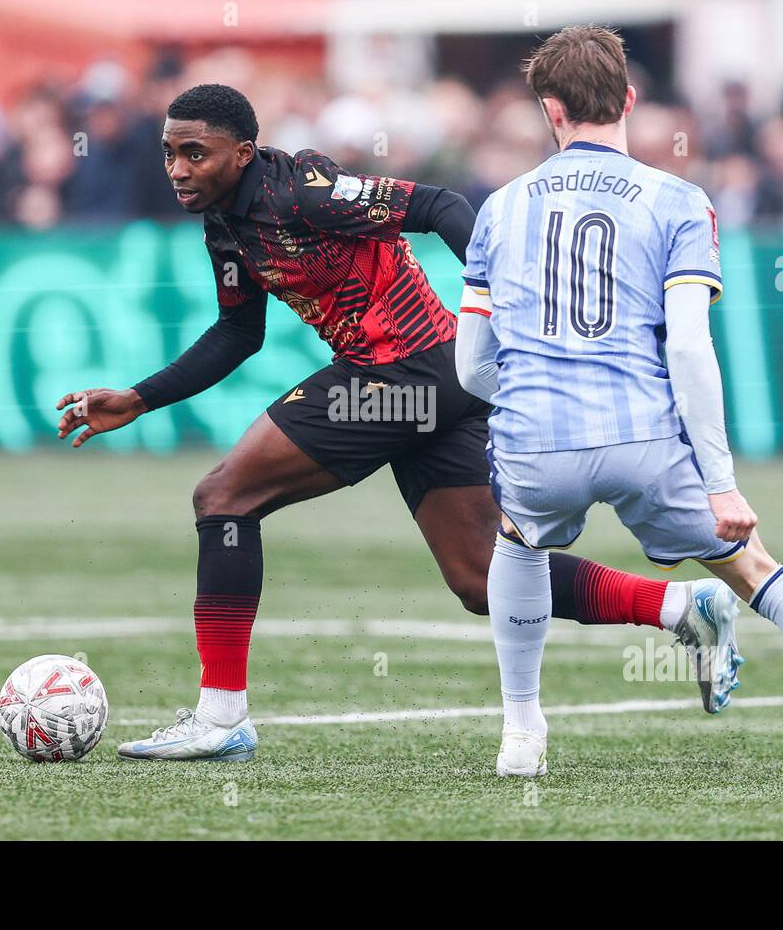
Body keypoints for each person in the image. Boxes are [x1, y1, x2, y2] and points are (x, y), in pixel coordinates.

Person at [55, 83, 733, 763]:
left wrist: (506, 300)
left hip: (404, 374)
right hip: (439, 385)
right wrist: (141, 399)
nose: (177, 168)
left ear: (242, 152)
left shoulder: (305, 194)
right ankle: (681, 608)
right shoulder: (225, 223)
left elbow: (441, 205)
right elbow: (239, 332)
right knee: (479, 578)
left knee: (224, 497)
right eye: (170, 153)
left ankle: (221, 715)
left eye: (195, 153)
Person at [455, 25, 783, 781]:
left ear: (549, 109)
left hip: (537, 439)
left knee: (518, 543)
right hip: (645, 439)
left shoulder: (499, 207)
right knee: (756, 571)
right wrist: (720, 479)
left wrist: (528, 398)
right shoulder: (680, 199)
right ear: (629, 98)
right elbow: (688, 348)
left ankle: (522, 735)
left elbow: (471, 366)